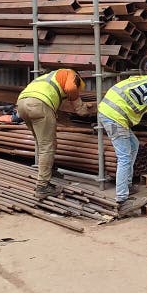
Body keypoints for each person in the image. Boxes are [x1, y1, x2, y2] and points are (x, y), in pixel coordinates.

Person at [98, 56, 147, 217]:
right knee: (124, 157)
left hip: (110, 114)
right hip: (114, 117)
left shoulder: (141, 80)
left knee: (133, 145)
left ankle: (127, 184)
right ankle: (122, 201)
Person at [16, 69, 93, 200]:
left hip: (22, 104)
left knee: (42, 144)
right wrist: (80, 106)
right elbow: (70, 88)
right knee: (47, 146)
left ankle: (48, 171)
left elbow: (57, 102)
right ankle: (42, 186)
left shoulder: (50, 78)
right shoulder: (71, 74)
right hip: (39, 104)